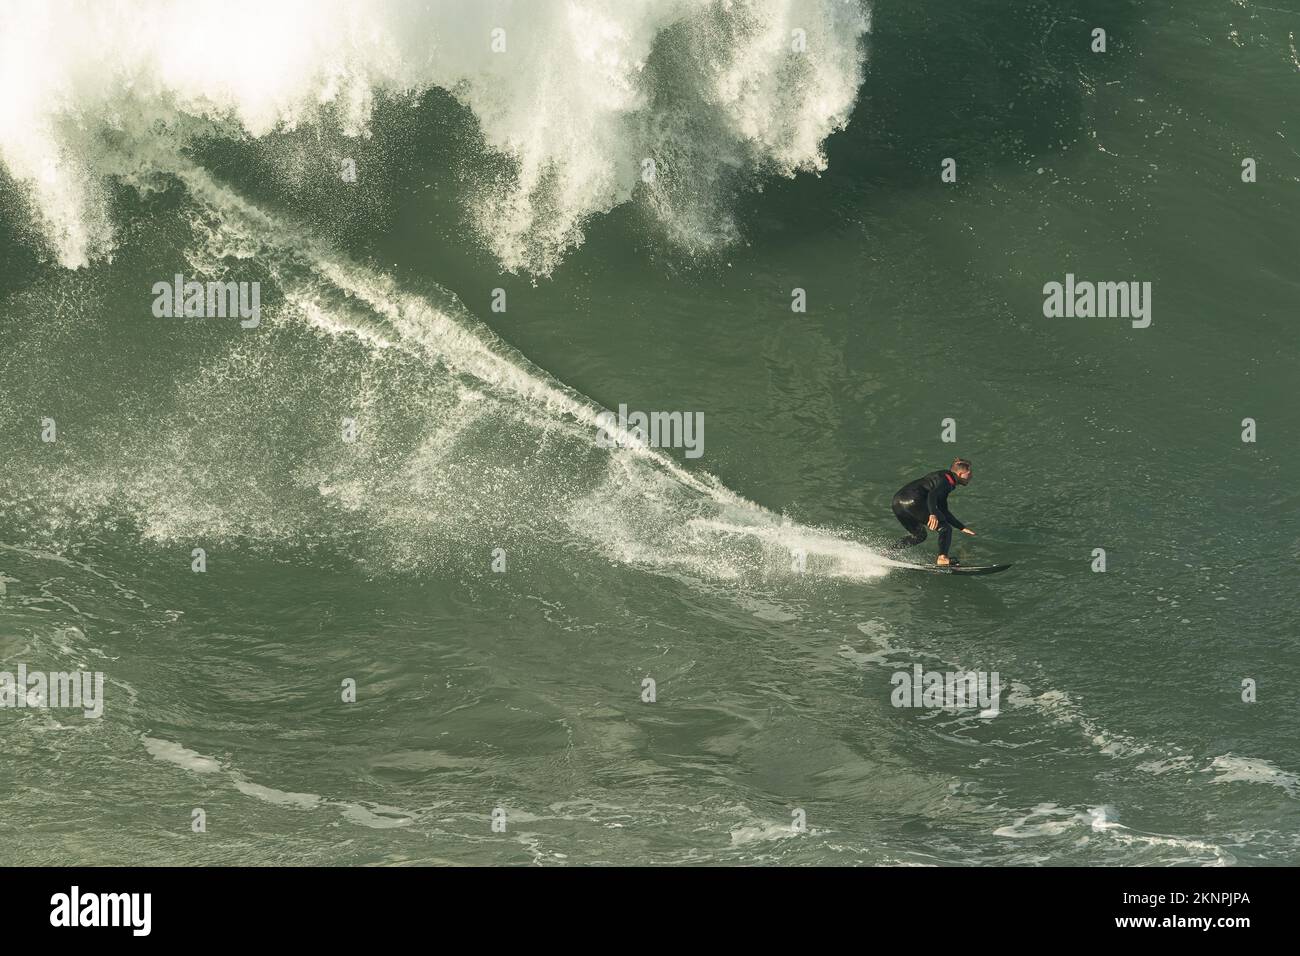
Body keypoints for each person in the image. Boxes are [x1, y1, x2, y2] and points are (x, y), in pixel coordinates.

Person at [891, 458, 976, 566]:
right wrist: (933, 514)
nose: (971, 477)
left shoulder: (943, 478)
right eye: (969, 474)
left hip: (897, 502)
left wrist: (961, 527)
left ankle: (888, 552)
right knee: (945, 528)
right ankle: (942, 558)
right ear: (960, 474)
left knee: (919, 535)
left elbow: (943, 509)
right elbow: (932, 494)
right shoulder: (947, 481)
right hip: (913, 500)